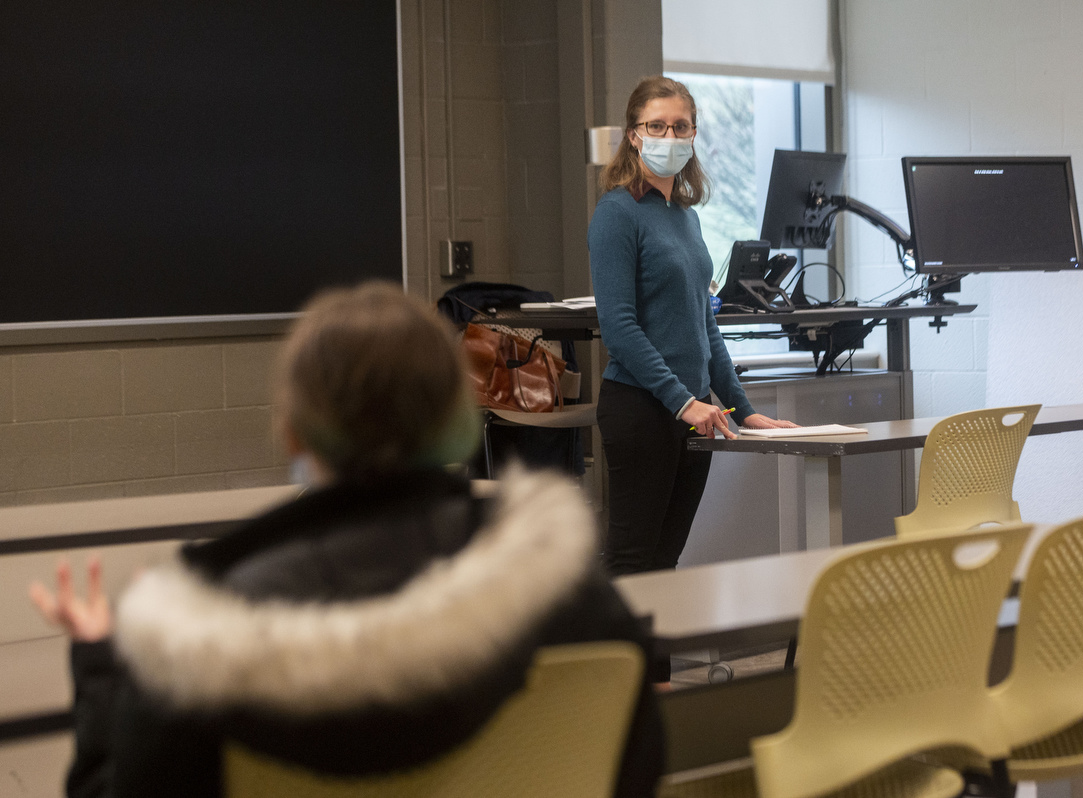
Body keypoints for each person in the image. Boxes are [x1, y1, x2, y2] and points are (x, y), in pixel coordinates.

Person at [29, 281, 664, 798]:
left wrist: (100, 664)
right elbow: (630, 770)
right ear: (457, 415)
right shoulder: (574, 603)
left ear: (294, 433)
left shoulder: (196, 651)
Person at [588, 76, 797, 579]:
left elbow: (706, 325)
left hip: (695, 412)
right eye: (656, 125)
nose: (669, 135)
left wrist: (742, 409)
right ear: (633, 135)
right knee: (633, 563)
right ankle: (619, 662)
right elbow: (618, 327)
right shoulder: (617, 213)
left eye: (680, 126)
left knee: (666, 564)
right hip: (641, 409)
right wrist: (684, 402)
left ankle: (657, 662)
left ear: (694, 134)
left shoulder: (685, 217)